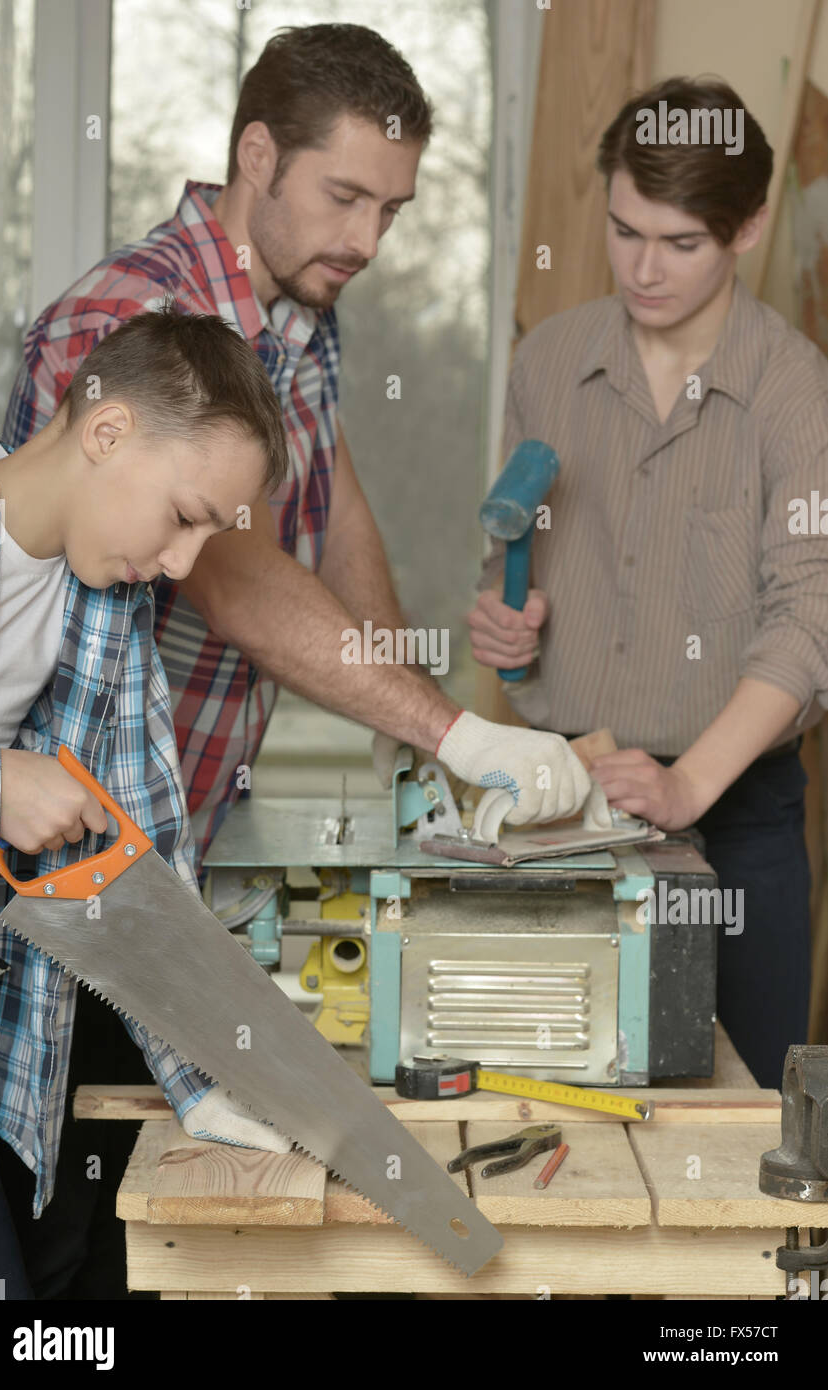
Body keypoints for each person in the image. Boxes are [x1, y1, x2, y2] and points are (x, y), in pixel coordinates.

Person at [3, 22, 588, 870]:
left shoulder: (301, 311)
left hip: (182, 821)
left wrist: (409, 719)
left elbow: (337, 511)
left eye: (390, 209)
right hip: (61, 833)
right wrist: (451, 730)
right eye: (344, 196)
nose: (367, 242)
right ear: (258, 155)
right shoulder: (141, 317)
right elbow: (237, 579)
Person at [468, 77, 828, 1089]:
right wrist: (511, 627)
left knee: (752, 1127)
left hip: (735, 815)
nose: (641, 268)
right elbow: (507, 558)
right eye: (625, 231)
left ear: (747, 227)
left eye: (679, 244)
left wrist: (684, 786)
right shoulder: (547, 362)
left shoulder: (797, 394)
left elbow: (811, 619)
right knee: (559, 1103)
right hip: (563, 808)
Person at [0, 304, 294, 1298]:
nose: (187, 562)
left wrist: (208, 1077)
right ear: (108, 434)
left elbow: (142, 857)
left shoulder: (106, 604)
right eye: (186, 515)